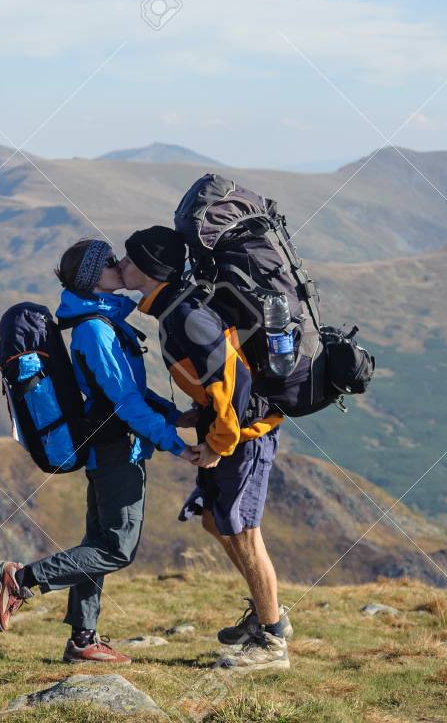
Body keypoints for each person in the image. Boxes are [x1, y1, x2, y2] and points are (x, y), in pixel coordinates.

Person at [0, 238, 195, 664]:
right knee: (117, 548)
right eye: (107, 261)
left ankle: (83, 639)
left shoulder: (101, 322)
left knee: (96, 542)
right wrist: (176, 445)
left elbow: (128, 392)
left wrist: (175, 417)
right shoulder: (96, 330)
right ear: (92, 279)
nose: (118, 263)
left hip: (111, 445)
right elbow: (124, 402)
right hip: (117, 448)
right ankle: (22, 579)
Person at [119, 225, 292, 673]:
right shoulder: (173, 309)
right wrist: (201, 415)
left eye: (126, 260)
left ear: (149, 269)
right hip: (225, 428)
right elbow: (214, 383)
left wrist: (217, 444)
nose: (119, 267)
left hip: (246, 435)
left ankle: (272, 642)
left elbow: (236, 382)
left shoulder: (185, 315)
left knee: (241, 530)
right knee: (215, 521)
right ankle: (264, 610)